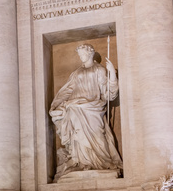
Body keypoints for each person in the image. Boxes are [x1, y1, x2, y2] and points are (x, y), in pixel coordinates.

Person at [49, 43, 122, 177]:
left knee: (97, 135)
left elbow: (108, 93)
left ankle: (101, 162)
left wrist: (112, 74)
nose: (81, 57)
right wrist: (57, 104)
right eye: (80, 54)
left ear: (90, 54)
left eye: (83, 54)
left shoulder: (99, 70)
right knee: (78, 136)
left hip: (93, 108)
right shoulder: (76, 73)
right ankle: (82, 162)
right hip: (75, 107)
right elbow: (68, 90)